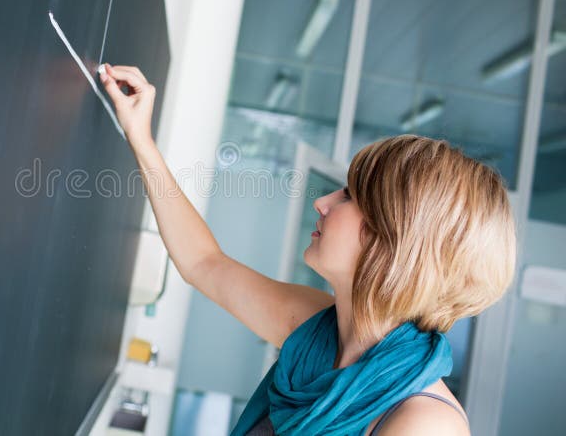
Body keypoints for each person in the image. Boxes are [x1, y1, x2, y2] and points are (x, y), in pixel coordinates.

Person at [99, 64, 516, 435]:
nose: (323, 202)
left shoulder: (426, 424)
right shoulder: (318, 328)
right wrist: (142, 140)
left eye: (350, 196)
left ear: (394, 241)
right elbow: (203, 263)